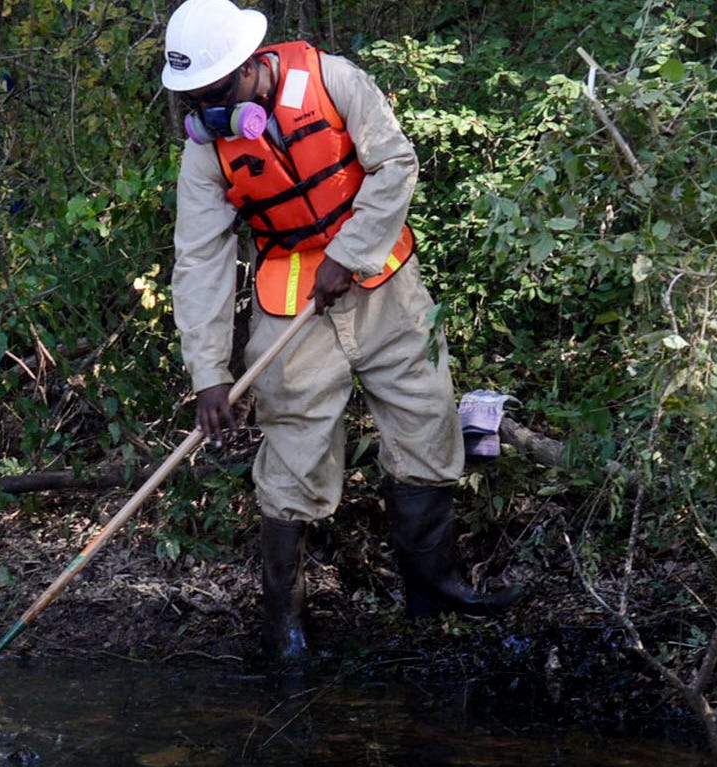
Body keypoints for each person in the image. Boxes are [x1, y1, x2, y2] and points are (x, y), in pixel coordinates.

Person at [160, 0, 517, 662]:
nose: (207, 113)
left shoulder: (333, 81)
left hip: (382, 279)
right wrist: (209, 373)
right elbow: (200, 260)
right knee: (292, 448)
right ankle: (284, 628)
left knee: (425, 419)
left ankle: (434, 597)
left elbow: (395, 164)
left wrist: (347, 255)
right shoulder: (207, 154)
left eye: (214, 94)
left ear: (248, 69)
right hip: (291, 301)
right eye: (193, 100)